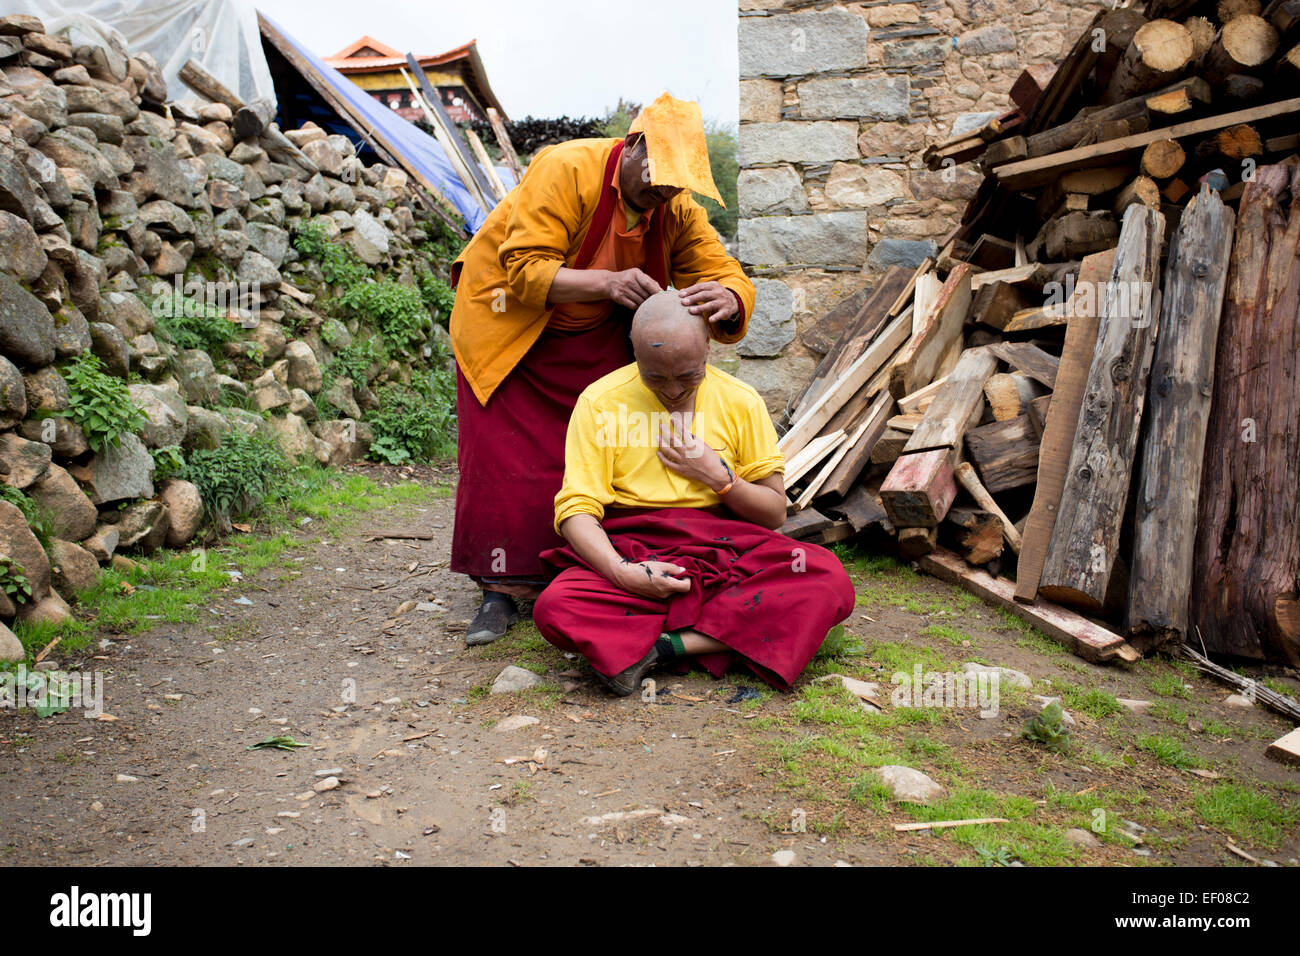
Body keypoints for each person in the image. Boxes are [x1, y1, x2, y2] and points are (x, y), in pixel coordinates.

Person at [448, 93, 756, 645]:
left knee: (591, 451)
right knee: (508, 464)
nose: (665, 191)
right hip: (511, 326)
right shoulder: (567, 167)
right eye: (660, 176)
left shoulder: (677, 208)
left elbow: (724, 270)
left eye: (677, 183)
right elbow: (523, 269)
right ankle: (499, 588)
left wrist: (730, 299)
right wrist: (609, 283)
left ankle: (587, 565)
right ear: (633, 146)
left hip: (594, 336)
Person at [533, 291, 856, 696]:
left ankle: (667, 646)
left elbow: (774, 514)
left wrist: (721, 479)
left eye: (688, 376)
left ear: (708, 345)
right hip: (635, 550)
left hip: (727, 554)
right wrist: (621, 573)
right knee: (556, 607)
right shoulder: (600, 402)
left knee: (828, 580)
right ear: (634, 353)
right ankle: (746, 630)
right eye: (655, 377)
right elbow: (577, 510)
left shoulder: (740, 401)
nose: (671, 391)